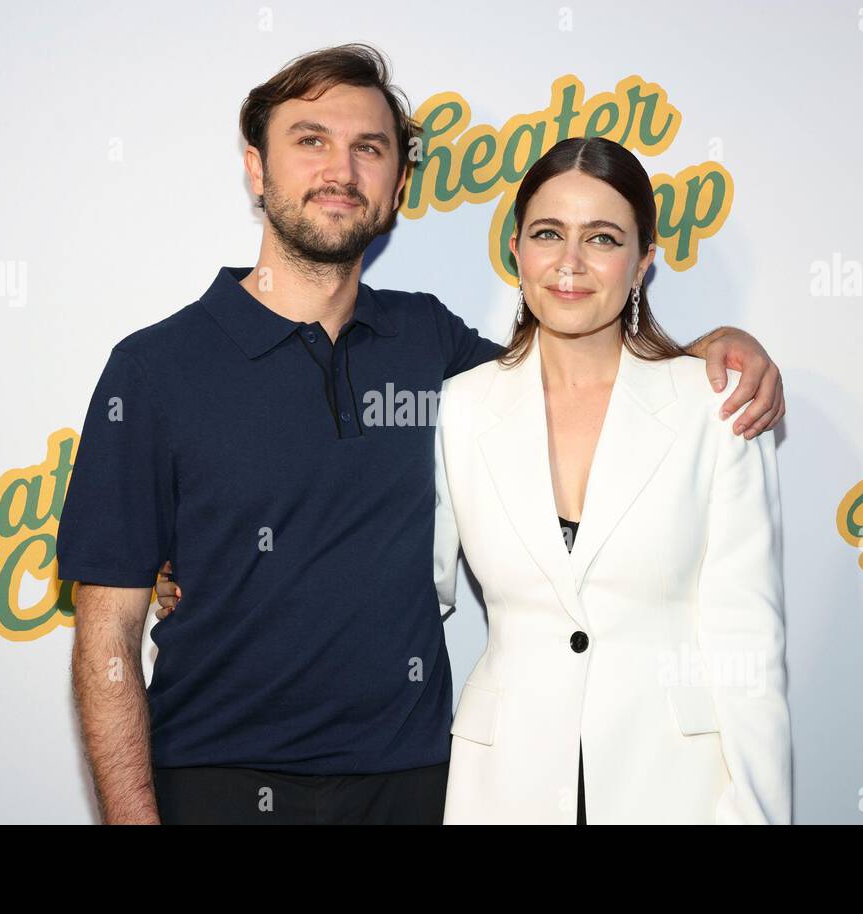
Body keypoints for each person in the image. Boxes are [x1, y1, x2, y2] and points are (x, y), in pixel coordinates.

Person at [61, 43, 785, 825]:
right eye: (311, 140)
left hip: (413, 784)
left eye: (368, 148)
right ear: (255, 168)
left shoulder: (435, 349)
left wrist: (715, 342)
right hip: (217, 782)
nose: (341, 169)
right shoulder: (154, 369)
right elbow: (107, 641)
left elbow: (575, 361)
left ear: (398, 185)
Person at [431, 136, 790, 824]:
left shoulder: (714, 406)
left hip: (676, 787)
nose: (569, 264)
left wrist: (759, 814)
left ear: (644, 261)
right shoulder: (461, 408)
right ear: (515, 250)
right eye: (547, 234)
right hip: (504, 788)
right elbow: (405, 590)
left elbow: (749, 643)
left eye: (601, 238)